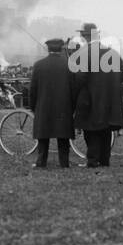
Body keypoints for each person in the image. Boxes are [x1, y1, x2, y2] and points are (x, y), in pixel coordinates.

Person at [71, 24, 123, 168]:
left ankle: (93, 160)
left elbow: (80, 78)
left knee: (91, 130)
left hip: (91, 99)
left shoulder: (84, 53)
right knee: (106, 130)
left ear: (86, 36)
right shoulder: (112, 53)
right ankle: (104, 160)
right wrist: (111, 86)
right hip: (110, 99)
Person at [28, 38, 74, 169]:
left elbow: (33, 89)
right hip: (64, 106)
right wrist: (73, 106)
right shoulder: (69, 64)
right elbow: (74, 88)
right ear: (61, 48)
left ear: (48, 49)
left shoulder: (38, 65)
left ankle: (41, 162)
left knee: (43, 135)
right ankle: (64, 163)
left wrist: (33, 106)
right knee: (63, 136)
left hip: (43, 106)